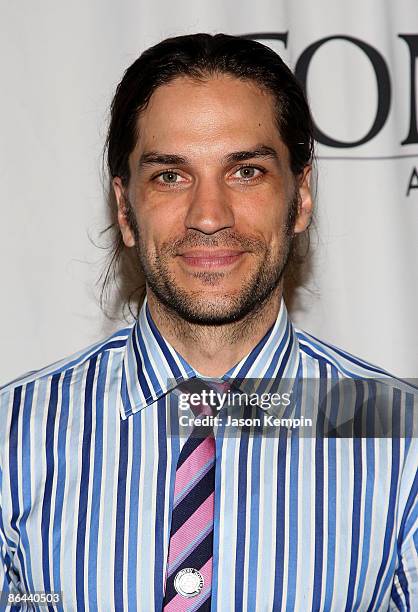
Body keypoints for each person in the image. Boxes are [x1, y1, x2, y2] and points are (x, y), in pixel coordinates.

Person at [0, 33, 416, 612]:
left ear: (300, 196)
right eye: (171, 175)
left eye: (245, 171)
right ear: (124, 209)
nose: (209, 216)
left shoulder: (401, 435)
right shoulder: (13, 434)